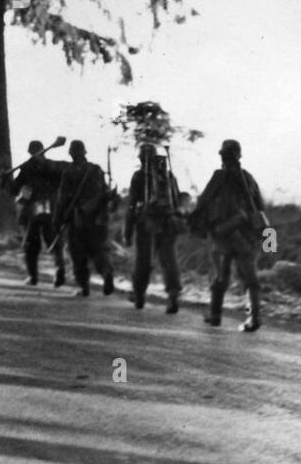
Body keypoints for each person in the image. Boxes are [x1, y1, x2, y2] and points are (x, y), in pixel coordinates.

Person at [193, 140, 266, 331]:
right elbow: (261, 209)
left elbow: (202, 203)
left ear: (222, 156)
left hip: (222, 237)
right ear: (239, 155)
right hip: (246, 238)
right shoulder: (248, 178)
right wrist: (266, 241)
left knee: (219, 277)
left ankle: (215, 314)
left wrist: (200, 225)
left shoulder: (218, 177)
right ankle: (254, 316)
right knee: (250, 279)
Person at [123, 143, 183, 314]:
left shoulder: (139, 176)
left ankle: (139, 294)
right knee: (168, 260)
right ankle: (173, 296)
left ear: (141, 158)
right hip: (167, 222)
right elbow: (177, 201)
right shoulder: (169, 176)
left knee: (143, 260)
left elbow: (131, 205)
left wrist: (127, 231)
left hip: (146, 223)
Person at [53, 139, 115, 298]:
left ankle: (84, 287)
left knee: (77, 254)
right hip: (98, 220)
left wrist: (58, 219)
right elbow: (104, 192)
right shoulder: (96, 170)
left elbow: (62, 198)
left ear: (72, 153)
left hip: (78, 219)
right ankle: (106, 272)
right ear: (84, 152)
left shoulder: (69, 172)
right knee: (98, 251)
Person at [4, 139, 65, 288]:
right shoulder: (29, 168)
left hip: (42, 210)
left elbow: (14, 189)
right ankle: (47, 272)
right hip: (41, 210)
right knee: (43, 243)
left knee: (40, 243)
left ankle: (42, 275)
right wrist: (6, 180)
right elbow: (15, 189)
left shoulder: (46, 167)